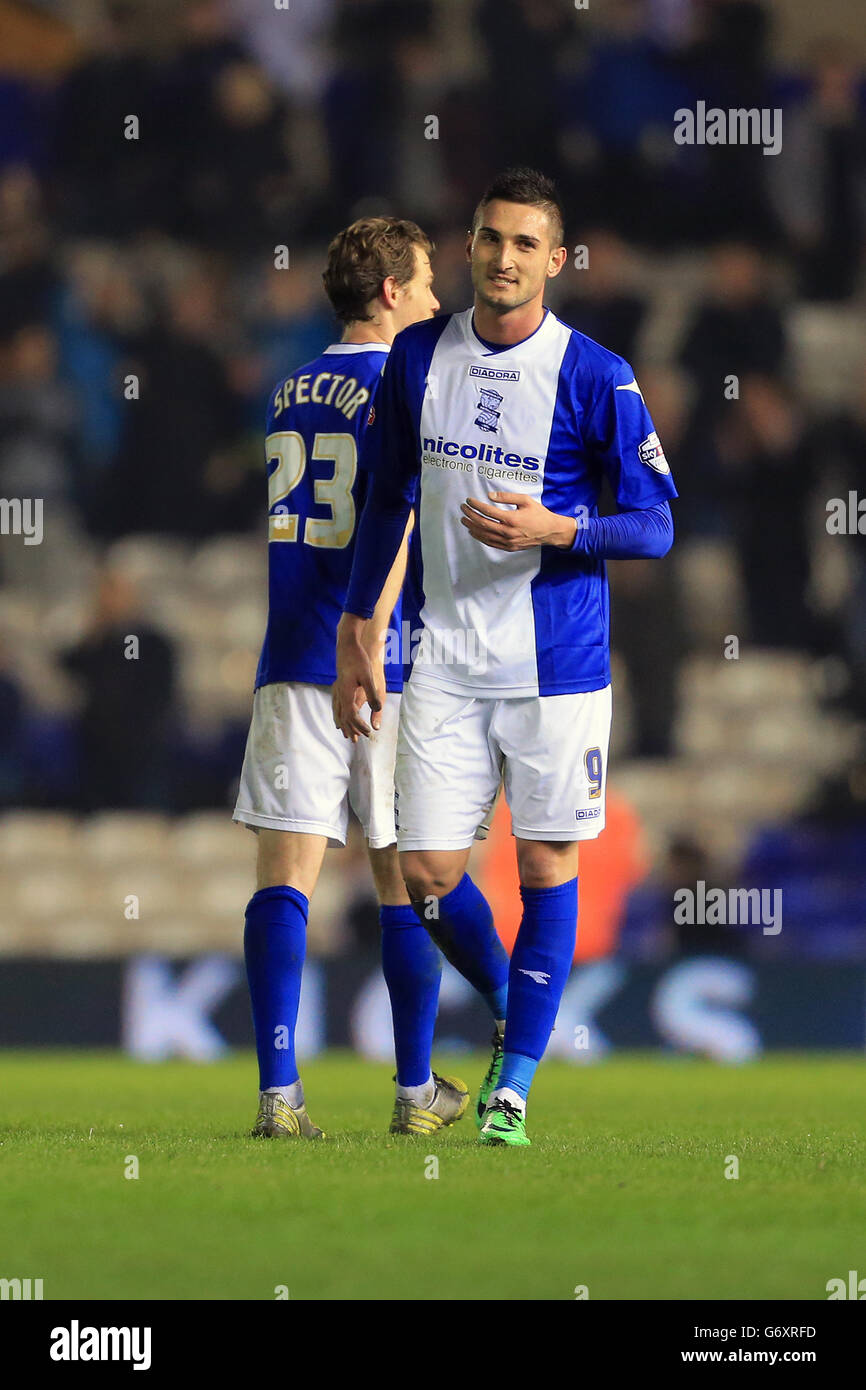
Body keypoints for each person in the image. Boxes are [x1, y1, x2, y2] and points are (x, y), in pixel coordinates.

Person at [334, 168, 678, 1146]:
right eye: (489, 239)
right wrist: (358, 631)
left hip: (556, 661)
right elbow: (386, 501)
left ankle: (511, 1089)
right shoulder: (413, 360)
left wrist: (556, 527)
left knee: (541, 860)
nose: (502, 257)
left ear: (554, 261)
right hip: (442, 657)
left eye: (525, 243)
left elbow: (653, 528)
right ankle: (511, 1001)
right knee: (430, 873)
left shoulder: (593, 373)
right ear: (468, 247)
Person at [234, 216, 473, 1139]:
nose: (435, 300)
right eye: (422, 284)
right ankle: (414, 1094)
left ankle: (280, 1098)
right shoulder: (415, 384)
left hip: (292, 653)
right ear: (388, 295)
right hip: (389, 659)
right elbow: (403, 515)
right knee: (403, 879)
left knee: (284, 876)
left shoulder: (290, 387)